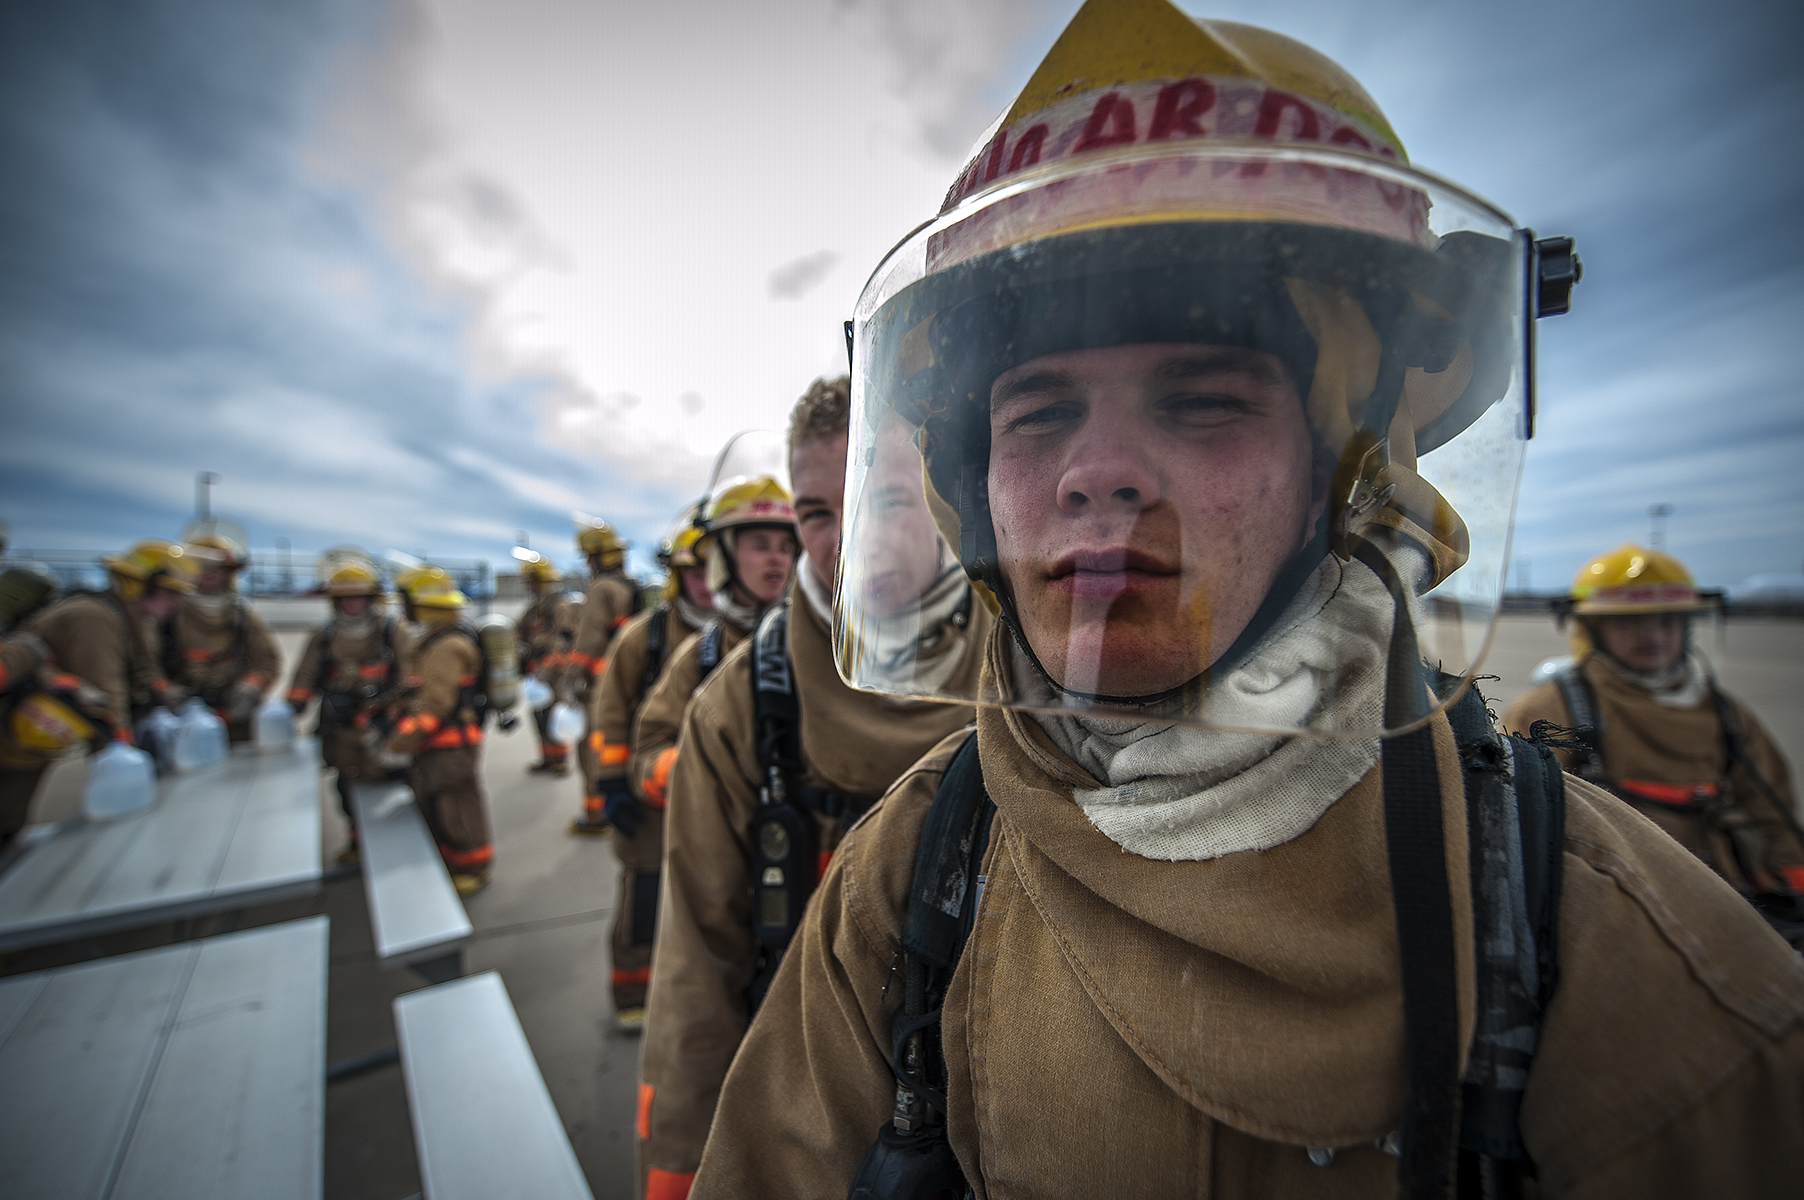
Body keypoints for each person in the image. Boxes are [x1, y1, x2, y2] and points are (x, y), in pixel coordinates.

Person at [691, 3, 1802, 1198]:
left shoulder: (1607, 947)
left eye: (1205, 397)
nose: (1094, 471)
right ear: (973, 491)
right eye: (1038, 413)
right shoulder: (917, 866)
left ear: (1350, 471)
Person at [635, 379, 992, 1200]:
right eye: (818, 513)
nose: (851, 537)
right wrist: (680, 1166)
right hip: (795, 1103)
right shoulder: (737, 706)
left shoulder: (1032, 672)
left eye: (888, 497)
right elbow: (696, 962)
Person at [1503, 544, 1804, 944]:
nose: (1653, 636)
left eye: (1668, 621)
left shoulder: (1726, 713)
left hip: (1727, 901)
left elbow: (1771, 809)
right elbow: (1516, 825)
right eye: (1629, 623)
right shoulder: (1549, 710)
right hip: (1618, 914)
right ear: (1591, 630)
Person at [585, 517, 715, 1032]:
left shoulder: (750, 633)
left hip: (714, 808)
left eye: (713, 568)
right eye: (694, 571)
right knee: (643, 904)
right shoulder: (645, 639)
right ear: (676, 577)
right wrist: (613, 784)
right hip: (651, 806)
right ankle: (632, 993)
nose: (706, 581)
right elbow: (609, 719)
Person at [4, 540, 196, 842]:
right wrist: (122, 750)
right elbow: (106, 691)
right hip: (12, 741)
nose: (176, 603)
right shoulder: (93, 618)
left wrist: (166, 694)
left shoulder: (130, 619)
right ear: (139, 586)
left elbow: (143, 670)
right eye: (171, 593)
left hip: (29, 739)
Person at [287, 547, 414, 864]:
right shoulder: (325, 634)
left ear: (371, 598)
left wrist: (402, 707)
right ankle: (357, 839)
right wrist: (294, 704)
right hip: (340, 726)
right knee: (346, 783)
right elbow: (305, 673)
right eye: (344, 598)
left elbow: (411, 673)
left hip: (383, 720)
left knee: (397, 777)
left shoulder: (390, 630)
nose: (351, 604)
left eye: (357, 597)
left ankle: (406, 838)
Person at [388, 564, 494, 896]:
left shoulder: (445, 647)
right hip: (444, 745)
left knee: (456, 807)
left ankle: (473, 867)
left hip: (450, 746)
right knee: (442, 806)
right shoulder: (439, 638)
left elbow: (435, 705)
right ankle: (455, 862)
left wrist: (398, 744)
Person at [165, 520, 282, 743]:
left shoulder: (240, 615)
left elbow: (267, 660)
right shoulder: (170, 614)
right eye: (202, 566)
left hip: (234, 714)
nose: (211, 574)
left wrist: (250, 688)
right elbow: (145, 660)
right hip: (181, 718)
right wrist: (166, 691)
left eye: (218, 569)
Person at [567, 515, 641, 835]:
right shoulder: (630, 586)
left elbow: (589, 641)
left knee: (594, 747)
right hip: (633, 678)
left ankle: (597, 815)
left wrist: (570, 678)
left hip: (602, 684)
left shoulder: (600, 589)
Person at [515, 550, 576, 776]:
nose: (527, 585)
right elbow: (519, 631)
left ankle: (560, 759)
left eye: (529, 581)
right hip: (536, 671)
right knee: (538, 716)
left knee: (553, 715)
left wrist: (551, 664)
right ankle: (546, 757)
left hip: (554, 673)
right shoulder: (534, 608)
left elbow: (565, 640)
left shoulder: (560, 605)